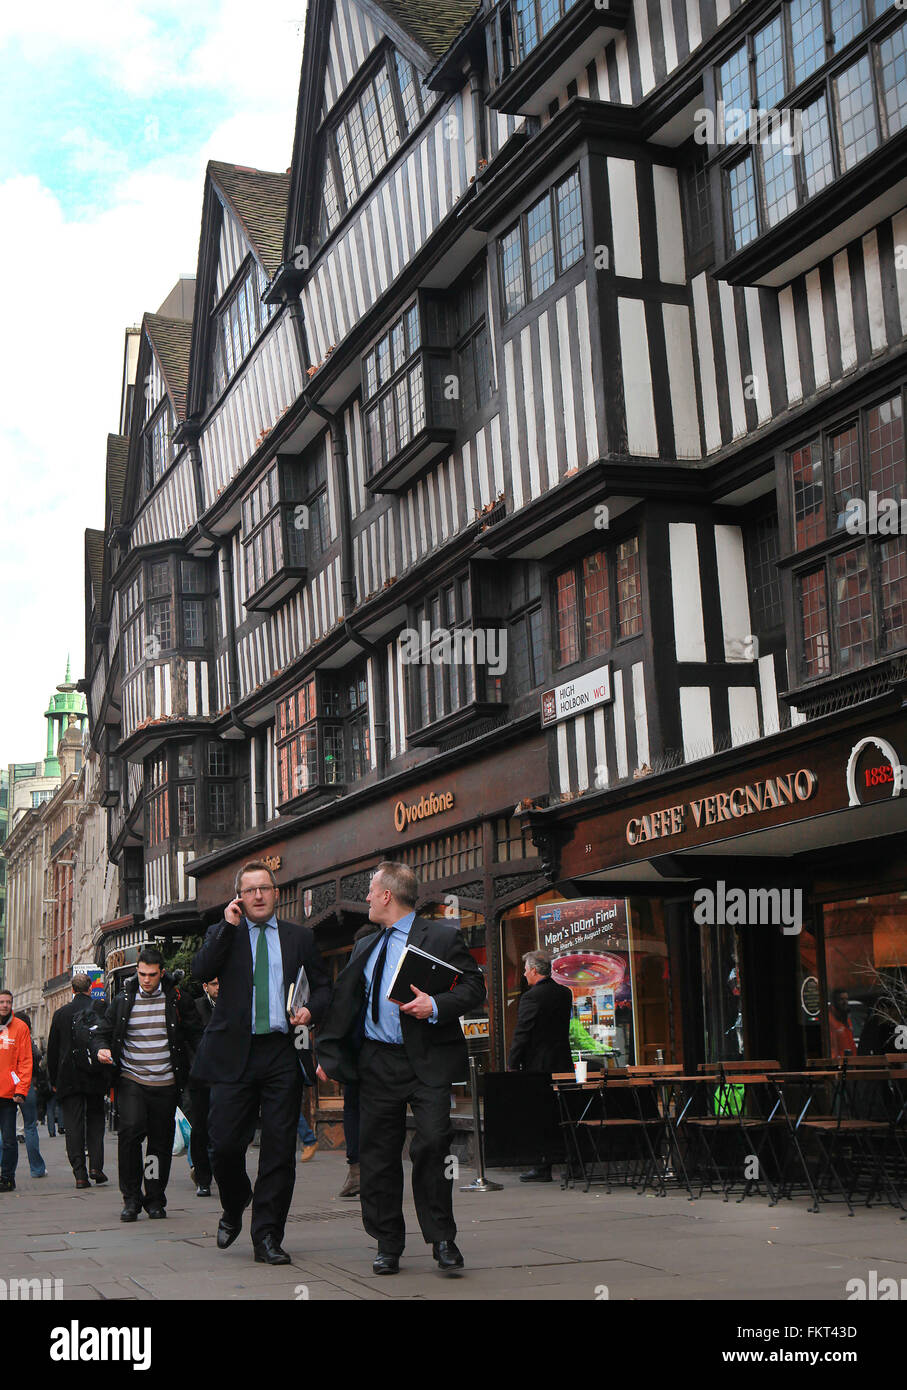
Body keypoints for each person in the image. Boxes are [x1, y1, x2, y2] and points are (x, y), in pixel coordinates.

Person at [316, 862, 485, 1276]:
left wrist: (435, 1005)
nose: (368, 898)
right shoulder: (365, 947)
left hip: (427, 1058)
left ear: (388, 895)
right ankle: (387, 1242)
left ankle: (442, 1238)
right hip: (377, 1061)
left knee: (432, 1143)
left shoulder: (443, 936)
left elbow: (473, 987)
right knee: (377, 1157)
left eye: (372, 891)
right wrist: (330, 1055)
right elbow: (346, 1007)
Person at [191, 860, 331, 1265]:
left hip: (282, 1052)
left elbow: (323, 987)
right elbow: (200, 970)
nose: (257, 896)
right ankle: (234, 1203)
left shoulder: (300, 938)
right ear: (239, 897)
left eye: (264, 889)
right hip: (234, 1053)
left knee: (279, 1148)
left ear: (276, 892)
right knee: (223, 1145)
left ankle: (267, 1234)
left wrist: (310, 1012)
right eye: (249, 890)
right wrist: (226, 926)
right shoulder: (226, 936)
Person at [94, 949, 203, 1221]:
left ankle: (154, 1197)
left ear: (161, 973)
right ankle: (131, 1198)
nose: (146, 980)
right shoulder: (122, 1001)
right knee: (130, 1134)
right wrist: (101, 1049)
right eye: (142, 974)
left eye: (152, 975)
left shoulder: (177, 999)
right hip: (132, 1078)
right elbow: (102, 1033)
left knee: (159, 1144)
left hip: (165, 1082)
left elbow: (196, 1035)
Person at [508, 951, 574, 1182]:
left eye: (526, 969)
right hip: (563, 1061)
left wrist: (512, 1063)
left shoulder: (532, 997)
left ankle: (542, 1166)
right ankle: (573, 1164)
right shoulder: (565, 993)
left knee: (540, 1115)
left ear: (535, 970)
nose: (525, 973)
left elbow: (523, 1032)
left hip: (539, 1065)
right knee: (565, 1112)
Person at [46, 975, 109, 1188]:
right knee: (96, 1119)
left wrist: (53, 1079)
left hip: (69, 1076)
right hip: (94, 1073)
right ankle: (96, 1166)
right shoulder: (99, 1009)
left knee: (73, 1125)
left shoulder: (61, 1014)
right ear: (90, 988)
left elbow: (52, 1050)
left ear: (72, 989)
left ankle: (80, 1174)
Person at [185, 978, 218, 1197]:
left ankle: (221, 1171)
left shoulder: (234, 1004)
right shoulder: (196, 1007)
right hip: (201, 1078)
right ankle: (203, 1178)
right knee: (200, 1129)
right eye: (214, 983)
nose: (219, 987)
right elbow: (189, 1041)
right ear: (205, 986)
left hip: (228, 1077)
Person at [0, 989, 33, 1191]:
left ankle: (7, 1176)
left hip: (9, 1094)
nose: (5, 1005)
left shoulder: (20, 1028)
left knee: (9, 1139)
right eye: (2, 1001)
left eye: (8, 1002)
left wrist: (21, 1090)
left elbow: (25, 1061)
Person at [11, 1013, 47, 1180]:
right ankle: (37, 1168)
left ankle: (6, 1167)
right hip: (26, 1084)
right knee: (30, 1126)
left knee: (5, 1127)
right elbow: (36, 1056)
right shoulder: (25, 1038)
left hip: (7, 1085)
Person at [829, 987, 856, 1059]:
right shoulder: (830, 1019)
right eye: (841, 999)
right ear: (835, 1001)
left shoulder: (846, 1019)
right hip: (839, 1063)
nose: (845, 1002)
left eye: (846, 999)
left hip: (850, 1061)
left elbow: (851, 1043)